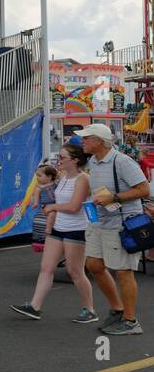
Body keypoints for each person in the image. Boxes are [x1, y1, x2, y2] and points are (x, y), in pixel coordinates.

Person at [13, 144, 98, 322]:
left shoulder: (83, 179)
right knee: (46, 267)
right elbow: (44, 186)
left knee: (75, 271)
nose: (58, 160)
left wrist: (53, 207)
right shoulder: (62, 177)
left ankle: (89, 309)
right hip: (58, 227)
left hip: (76, 229)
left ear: (75, 160)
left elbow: (75, 207)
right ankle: (35, 306)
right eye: (58, 157)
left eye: (62, 157)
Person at [78, 123, 147, 335]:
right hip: (99, 222)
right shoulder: (93, 161)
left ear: (99, 141)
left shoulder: (122, 161)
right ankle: (118, 309)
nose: (82, 142)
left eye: (86, 138)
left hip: (120, 224)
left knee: (124, 272)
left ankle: (130, 320)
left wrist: (114, 197)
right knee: (94, 264)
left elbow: (144, 189)